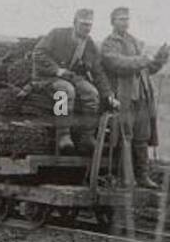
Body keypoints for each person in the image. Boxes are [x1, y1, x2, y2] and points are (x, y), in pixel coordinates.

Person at [100, 6, 170, 188]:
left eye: (127, 19)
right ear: (112, 22)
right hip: (123, 98)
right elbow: (118, 63)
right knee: (125, 137)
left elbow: (148, 69)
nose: (125, 22)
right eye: (121, 19)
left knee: (142, 138)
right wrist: (144, 59)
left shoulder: (136, 43)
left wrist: (161, 58)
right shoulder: (109, 44)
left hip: (142, 97)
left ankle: (142, 177)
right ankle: (125, 178)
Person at [32, 8, 116, 153]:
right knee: (65, 91)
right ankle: (63, 135)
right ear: (74, 22)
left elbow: (97, 71)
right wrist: (56, 70)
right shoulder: (57, 34)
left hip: (70, 77)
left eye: (89, 25)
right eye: (83, 24)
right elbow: (38, 53)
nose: (87, 28)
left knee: (92, 93)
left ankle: (87, 137)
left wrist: (108, 94)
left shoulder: (88, 43)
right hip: (46, 77)